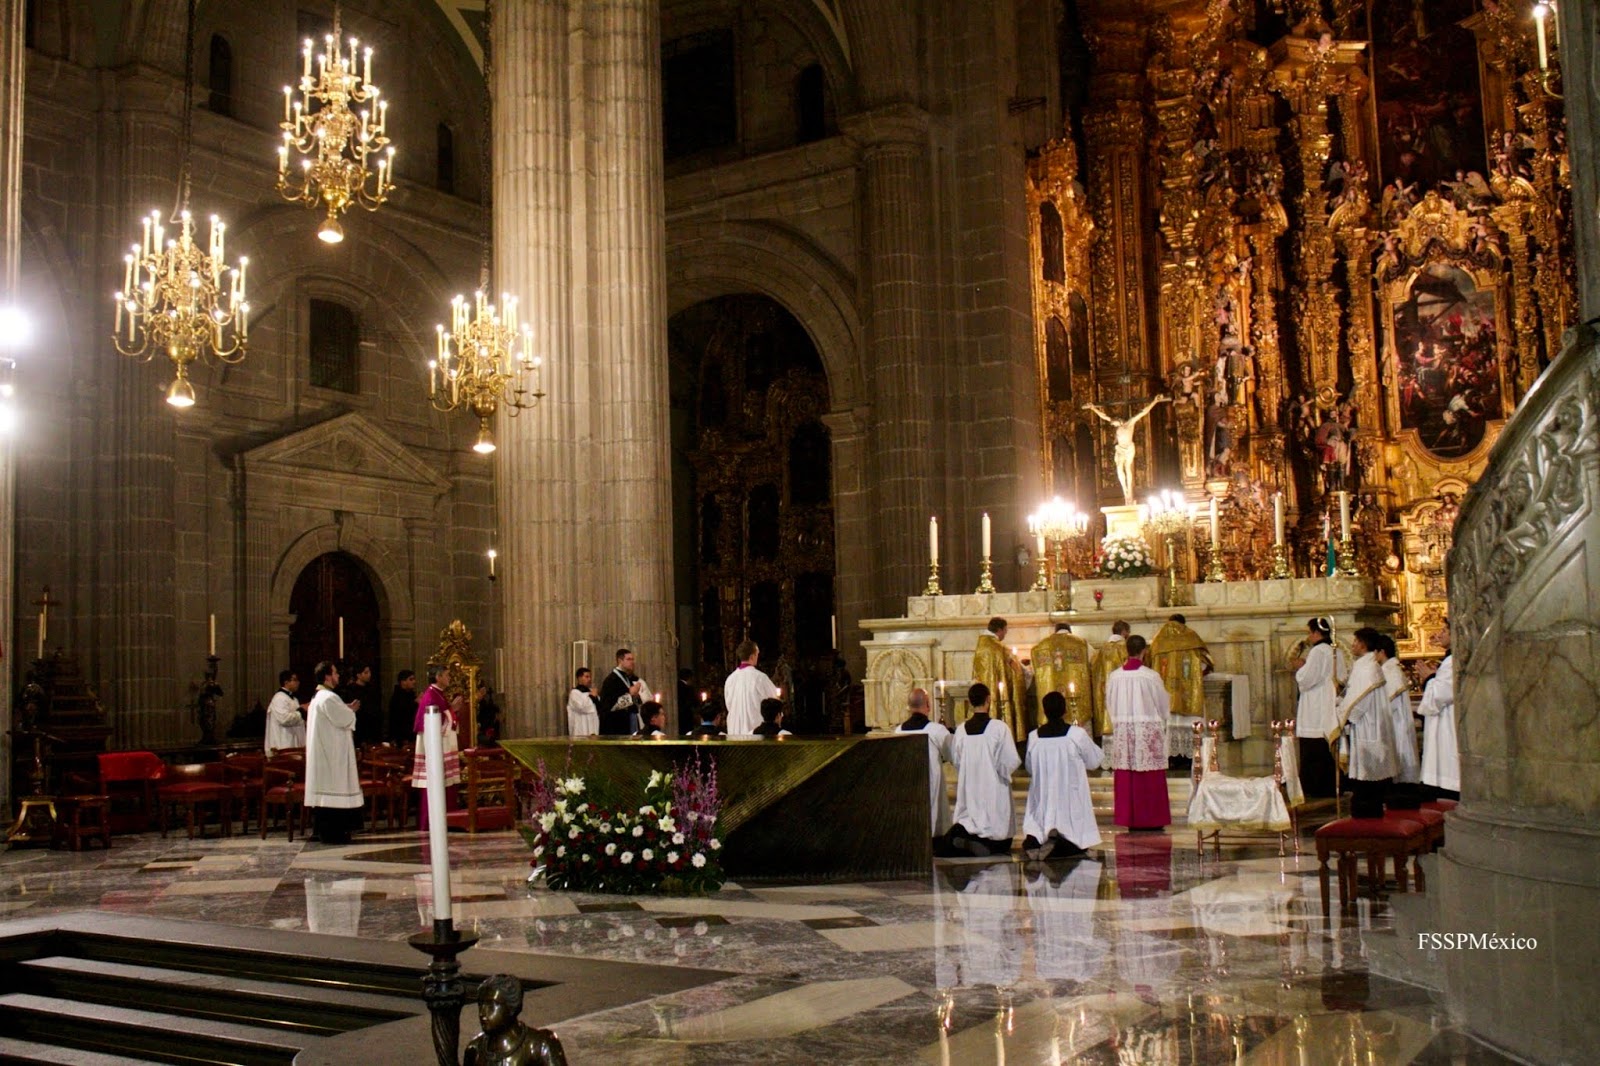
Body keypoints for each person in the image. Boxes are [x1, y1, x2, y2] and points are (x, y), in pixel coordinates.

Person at [1023, 691, 1104, 860]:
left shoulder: (1034, 737)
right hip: (1070, 796)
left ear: (1044, 711)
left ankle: (1037, 840)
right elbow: (1094, 762)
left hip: (1044, 796)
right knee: (1076, 840)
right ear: (1065, 710)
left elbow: (1030, 768)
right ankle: (1059, 842)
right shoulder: (1076, 735)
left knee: (1038, 825)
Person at [946, 683, 1021, 856]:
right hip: (993, 791)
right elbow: (1009, 761)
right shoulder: (999, 728)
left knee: (968, 824)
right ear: (988, 700)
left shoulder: (961, 730)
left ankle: (967, 840)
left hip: (970, 790)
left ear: (970, 702)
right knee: (999, 839)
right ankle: (981, 844)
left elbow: (957, 761)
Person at [1330, 627, 1397, 819]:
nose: (1352, 645)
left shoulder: (1367, 668)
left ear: (1363, 644)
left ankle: (1368, 813)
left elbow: (1360, 701)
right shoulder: (1365, 666)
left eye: (1355, 641)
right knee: (1365, 773)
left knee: (1368, 775)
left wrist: (1344, 713)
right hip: (1366, 725)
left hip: (1368, 726)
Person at [1106, 635, 1171, 830]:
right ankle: (1151, 819)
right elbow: (1163, 704)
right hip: (1146, 731)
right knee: (1149, 776)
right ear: (1144, 651)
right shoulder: (1150, 676)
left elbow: (1109, 704)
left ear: (1127, 650)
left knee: (1128, 775)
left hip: (1123, 731)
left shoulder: (1115, 676)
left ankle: (1130, 819)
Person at [304, 660, 363, 844]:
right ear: (328, 676)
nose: (338, 676)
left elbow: (336, 715)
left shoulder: (318, 697)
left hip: (326, 753)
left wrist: (345, 709)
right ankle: (335, 834)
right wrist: (352, 711)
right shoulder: (328, 697)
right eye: (336, 673)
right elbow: (344, 719)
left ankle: (327, 832)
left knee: (326, 797)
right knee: (334, 793)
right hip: (332, 756)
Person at [1083, 395, 1172, 505]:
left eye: (1114, 424)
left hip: (1129, 448)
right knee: (1119, 468)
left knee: (1127, 468)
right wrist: (1093, 408)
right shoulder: (1117, 425)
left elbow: (1143, 412)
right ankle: (1124, 489)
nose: (1113, 425)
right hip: (1120, 449)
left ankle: (1129, 490)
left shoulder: (1130, 423)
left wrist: (1154, 401)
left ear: (1118, 421)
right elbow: (1103, 416)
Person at [462, 973, 567, 1066]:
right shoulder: (475, 1049)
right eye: (480, 1005)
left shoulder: (539, 1045)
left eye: (491, 1006)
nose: (482, 1013)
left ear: (512, 1007)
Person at [1291, 617, 1343, 799]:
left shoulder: (1318, 651)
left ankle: (1315, 787)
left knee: (1314, 748)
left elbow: (1306, 679)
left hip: (1315, 705)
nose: (1309, 636)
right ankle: (1330, 785)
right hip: (1329, 702)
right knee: (1326, 748)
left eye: (1309, 632)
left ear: (1316, 633)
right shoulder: (1336, 651)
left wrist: (1300, 668)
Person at [896, 687, 953, 838]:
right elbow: (951, 753)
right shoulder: (936, 731)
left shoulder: (898, 731)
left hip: (907, 782)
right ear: (928, 704)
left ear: (909, 706)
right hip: (929, 781)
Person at [412, 666, 461, 831]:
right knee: (433, 783)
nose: (449, 678)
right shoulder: (431, 695)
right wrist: (453, 709)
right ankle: (430, 823)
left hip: (442, 745)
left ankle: (448, 820)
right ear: (438, 677)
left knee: (443, 782)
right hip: (434, 747)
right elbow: (433, 722)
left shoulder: (437, 693)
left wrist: (452, 709)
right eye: (447, 675)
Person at [1414, 625, 1459, 801]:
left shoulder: (1452, 661)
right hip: (1446, 720)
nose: (1438, 634)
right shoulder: (1450, 661)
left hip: (1447, 724)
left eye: (1445, 631)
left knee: (1447, 768)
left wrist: (1429, 678)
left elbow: (1438, 697)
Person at [1149, 613, 1213, 725]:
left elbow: (1149, 664)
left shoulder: (1157, 640)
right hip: (1187, 691)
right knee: (1189, 724)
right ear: (1183, 623)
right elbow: (1205, 664)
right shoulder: (1192, 637)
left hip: (1165, 692)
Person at [1379, 633, 1421, 795]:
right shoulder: (1388, 670)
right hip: (1393, 723)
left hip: (1396, 724)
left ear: (1381, 652)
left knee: (1399, 763)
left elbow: (1388, 703)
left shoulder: (1391, 672)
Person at [1030, 623, 1093, 729]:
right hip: (1077, 709)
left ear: (1055, 631)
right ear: (1070, 631)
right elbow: (1093, 665)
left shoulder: (1040, 647)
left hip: (1051, 704)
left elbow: (1033, 672)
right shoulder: (1082, 644)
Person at [971, 617, 1024, 741]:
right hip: (998, 694)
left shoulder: (981, 645)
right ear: (999, 630)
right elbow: (1016, 672)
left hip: (982, 693)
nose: (1005, 634)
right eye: (1005, 631)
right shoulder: (999, 648)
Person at [723, 639, 779, 737]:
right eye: (757, 654)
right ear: (752, 656)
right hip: (755, 730)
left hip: (735, 730)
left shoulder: (730, 679)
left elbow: (729, 705)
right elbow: (773, 701)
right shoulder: (760, 678)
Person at [1090, 620, 1130, 739]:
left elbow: (1093, 669)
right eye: (1128, 632)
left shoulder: (1101, 650)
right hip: (1122, 693)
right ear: (1124, 632)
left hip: (1105, 692)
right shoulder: (1126, 648)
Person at [597, 648, 644, 736]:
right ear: (620, 660)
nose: (632, 662)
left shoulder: (625, 678)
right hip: (615, 726)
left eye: (633, 659)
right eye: (629, 659)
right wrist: (630, 693)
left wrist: (635, 696)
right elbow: (610, 705)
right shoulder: (611, 680)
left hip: (627, 722)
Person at [340, 663, 380, 748]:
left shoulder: (371, 689)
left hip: (371, 726)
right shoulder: (351, 690)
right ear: (358, 675)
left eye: (369, 672)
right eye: (366, 672)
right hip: (359, 727)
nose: (369, 675)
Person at [265, 670, 304, 755]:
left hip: (294, 742)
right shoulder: (279, 698)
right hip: (283, 744)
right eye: (295, 680)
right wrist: (302, 711)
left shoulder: (293, 699)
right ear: (286, 682)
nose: (298, 682)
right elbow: (284, 719)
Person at [566, 668, 600, 737]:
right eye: (587, 677)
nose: (589, 679)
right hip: (580, 726)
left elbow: (598, 707)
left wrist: (596, 698)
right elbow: (581, 707)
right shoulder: (574, 693)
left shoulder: (591, 691)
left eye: (590, 677)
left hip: (593, 725)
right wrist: (593, 697)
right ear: (579, 678)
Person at [386, 670, 417, 745]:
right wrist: (415, 703)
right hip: (401, 737)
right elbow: (401, 716)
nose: (414, 681)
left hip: (412, 734)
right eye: (411, 679)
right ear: (403, 682)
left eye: (414, 679)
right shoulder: (397, 698)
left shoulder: (411, 695)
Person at [475, 680, 501, 746]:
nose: (482, 694)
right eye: (480, 692)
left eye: (483, 692)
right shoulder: (472, 704)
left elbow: (487, 718)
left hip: (483, 730)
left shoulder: (484, 704)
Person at [676, 667, 700, 736]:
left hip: (678, 716)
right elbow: (695, 702)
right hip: (687, 716)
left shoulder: (676, 686)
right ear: (689, 678)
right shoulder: (689, 689)